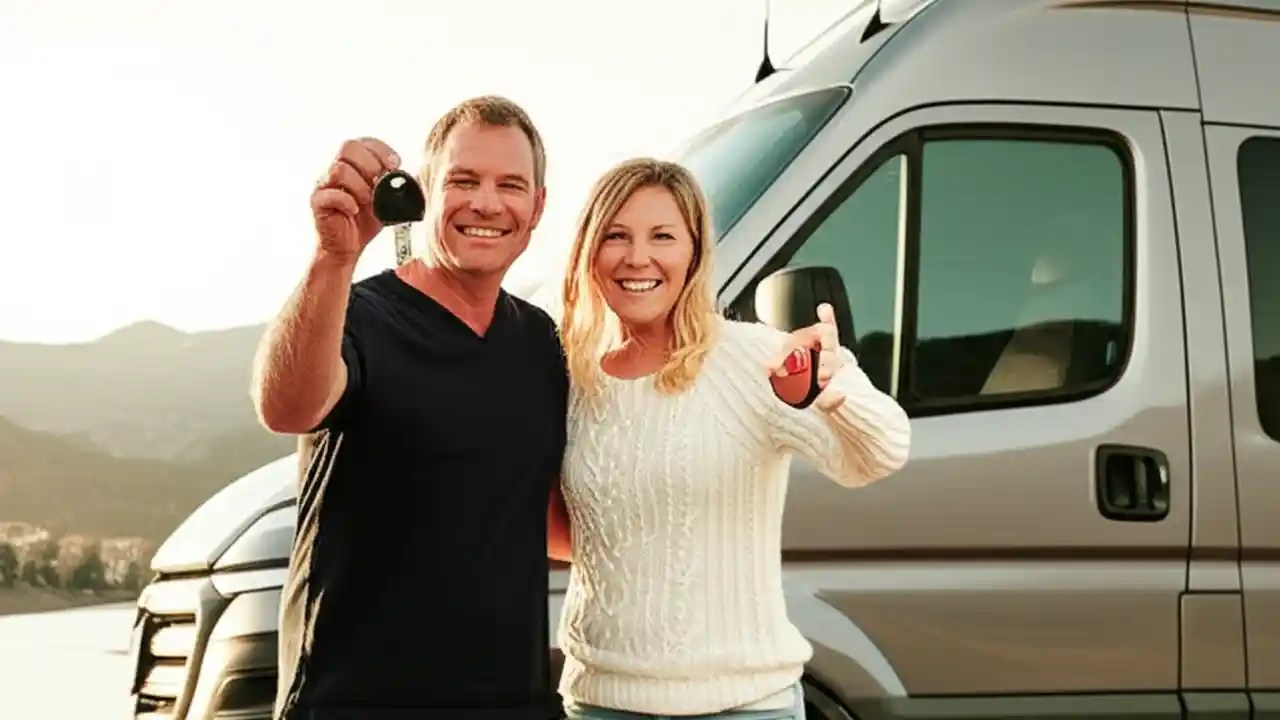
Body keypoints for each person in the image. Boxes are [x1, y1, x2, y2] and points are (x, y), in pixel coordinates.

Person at [546, 158, 912, 719]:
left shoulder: (752, 357)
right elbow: (581, 534)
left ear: (694, 253)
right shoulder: (573, 378)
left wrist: (835, 391)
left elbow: (881, 455)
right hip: (600, 701)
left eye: (662, 236)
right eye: (616, 236)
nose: (638, 257)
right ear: (588, 251)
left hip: (742, 705)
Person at [251, 96, 569, 720]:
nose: (487, 203)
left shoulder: (541, 343)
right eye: (463, 180)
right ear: (422, 193)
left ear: (537, 206)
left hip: (513, 702)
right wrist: (334, 257)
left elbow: (558, 522)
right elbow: (285, 407)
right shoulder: (357, 316)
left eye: (510, 185)